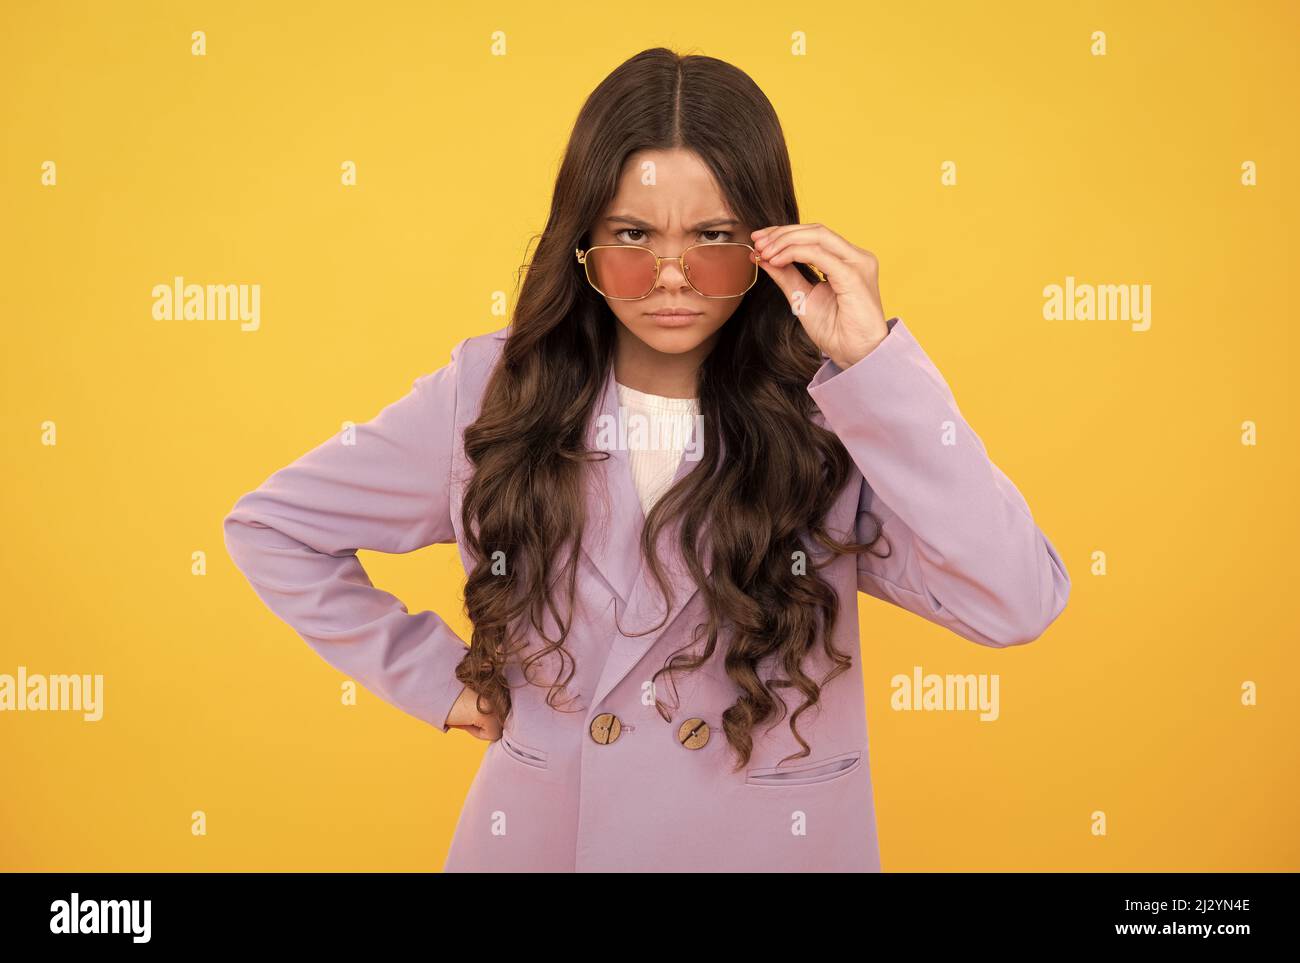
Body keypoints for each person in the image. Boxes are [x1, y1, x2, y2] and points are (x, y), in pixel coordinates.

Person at [223, 47, 1070, 872]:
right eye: (633, 235)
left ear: (767, 245)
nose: (672, 276)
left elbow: (1015, 600)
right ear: (583, 239)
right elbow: (273, 527)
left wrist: (877, 366)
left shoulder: (836, 414)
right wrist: (435, 679)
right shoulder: (490, 392)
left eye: (712, 236)